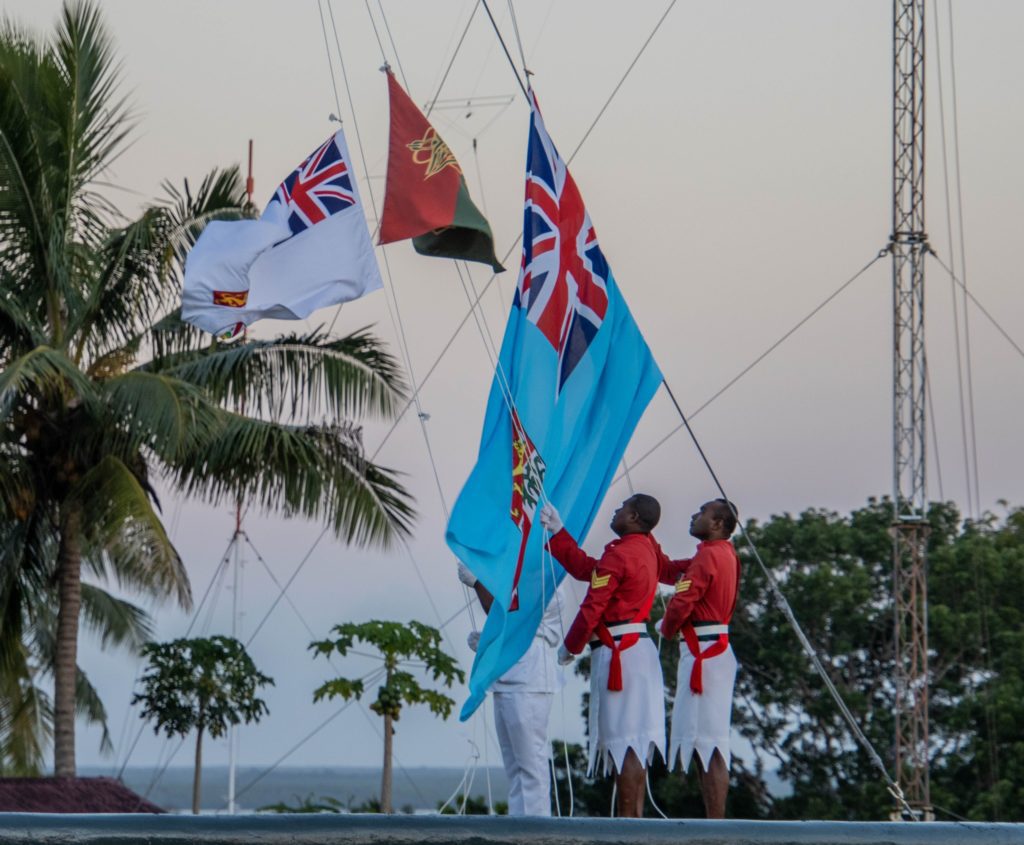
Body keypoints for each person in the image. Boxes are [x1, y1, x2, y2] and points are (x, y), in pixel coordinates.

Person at [538, 494, 665, 818]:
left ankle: (626, 828)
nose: (616, 510)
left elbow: (593, 604)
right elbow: (587, 570)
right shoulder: (645, 547)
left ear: (634, 517)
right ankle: (632, 823)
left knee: (624, 742)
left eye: (622, 508)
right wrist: (559, 532)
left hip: (620, 654)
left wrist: (571, 645)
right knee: (632, 740)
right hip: (637, 651)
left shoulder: (621, 554)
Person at [655, 498, 741, 820]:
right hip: (710, 649)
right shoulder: (723, 554)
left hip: (705, 652)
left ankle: (715, 826)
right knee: (709, 742)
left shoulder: (708, 556)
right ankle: (713, 822)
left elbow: (682, 601)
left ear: (718, 524)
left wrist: (666, 629)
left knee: (710, 743)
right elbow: (669, 571)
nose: (693, 515)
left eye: (702, 512)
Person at [458, 562, 561, 816]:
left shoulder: (543, 569)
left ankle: (537, 833)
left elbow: (507, 612)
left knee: (531, 765)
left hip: (529, 675)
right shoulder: (525, 571)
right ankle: (519, 828)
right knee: (515, 768)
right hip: (510, 674)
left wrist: (479, 582)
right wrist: (489, 642)